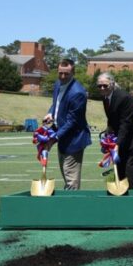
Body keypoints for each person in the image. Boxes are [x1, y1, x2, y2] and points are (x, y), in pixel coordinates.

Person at [43, 59, 92, 190]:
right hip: (62, 136)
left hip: (74, 140)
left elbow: (72, 121)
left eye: (66, 74)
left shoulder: (78, 93)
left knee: (71, 181)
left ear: (73, 73)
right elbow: (57, 103)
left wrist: (53, 138)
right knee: (66, 175)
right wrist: (50, 114)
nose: (63, 77)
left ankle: (73, 208)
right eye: (60, 73)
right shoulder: (58, 84)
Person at [97, 72, 133, 190]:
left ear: (112, 83)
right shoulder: (105, 97)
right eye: (99, 86)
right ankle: (120, 190)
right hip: (122, 133)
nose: (102, 88)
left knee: (129, 166)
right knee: (119, 164)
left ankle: (129, 195)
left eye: (105, 85)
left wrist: (117, 144)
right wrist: (109, 131)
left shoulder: (123, 97)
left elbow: (126, 122)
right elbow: (111, 117)